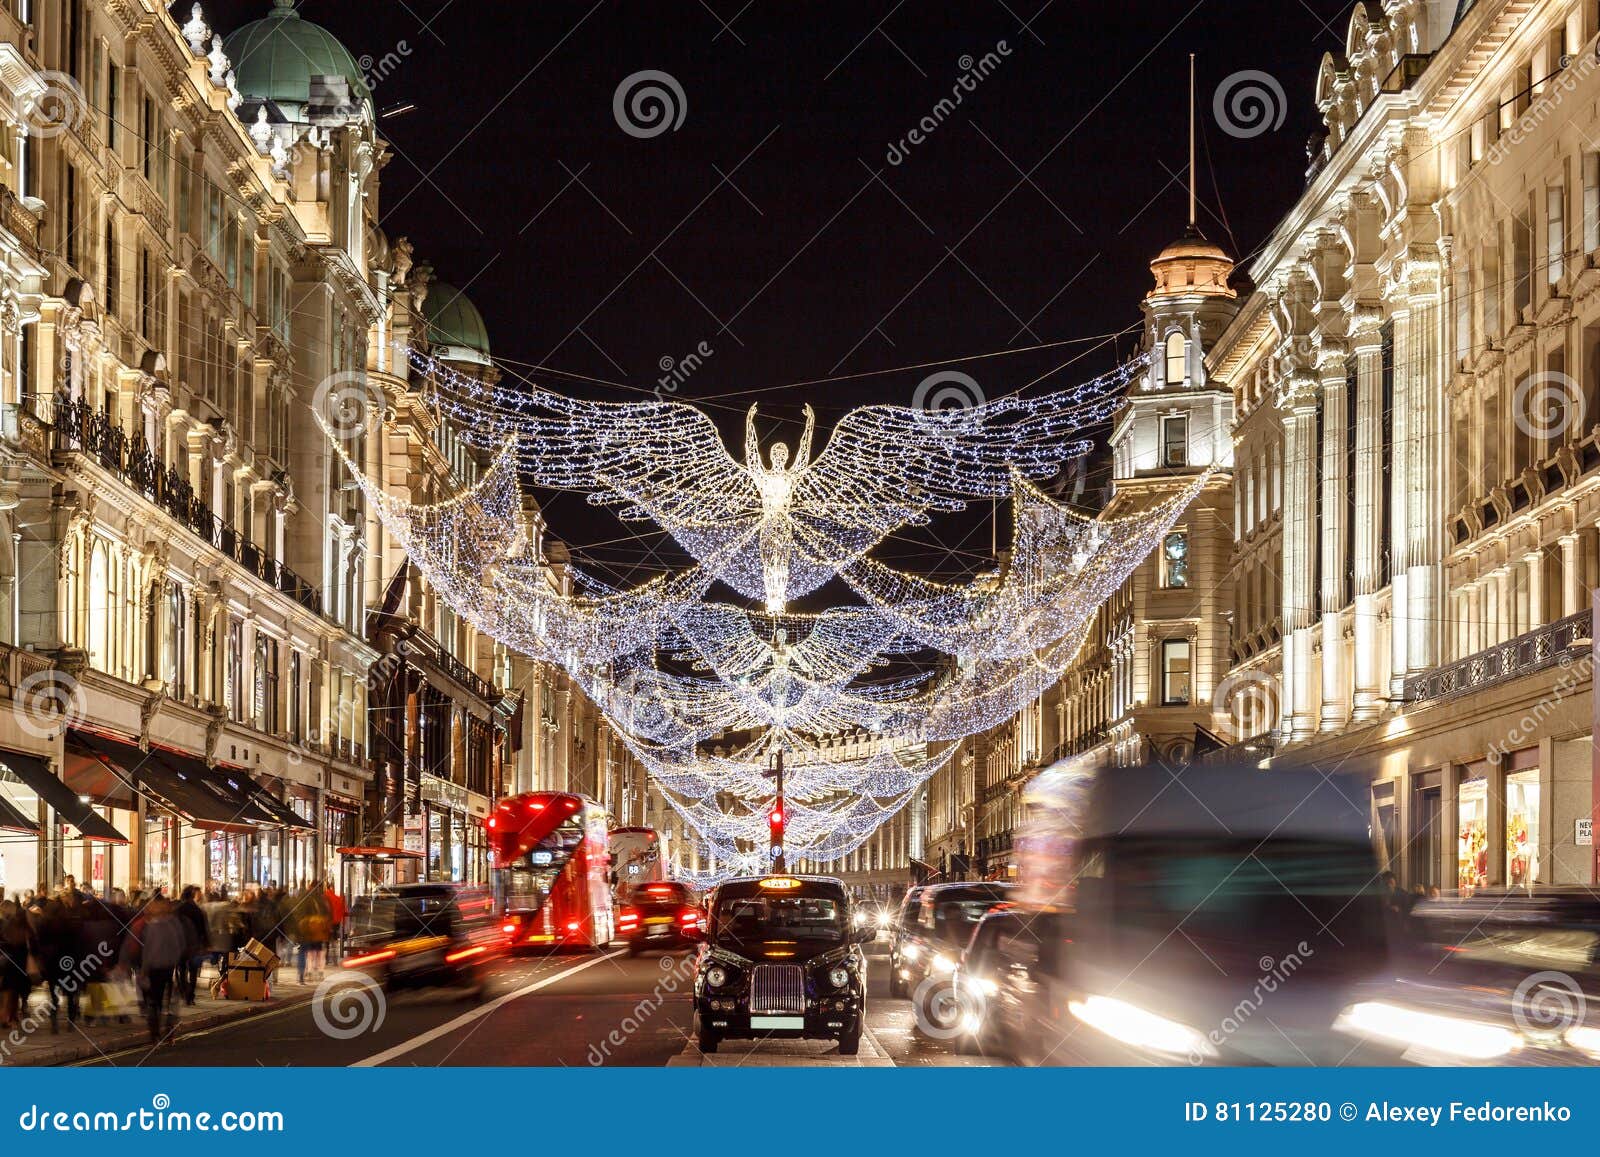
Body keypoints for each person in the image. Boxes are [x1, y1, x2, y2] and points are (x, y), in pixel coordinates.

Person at [137, 898, 188, 1043]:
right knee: (170, 1001)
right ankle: (168, 1031)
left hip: (155, 968)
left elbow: (147, 950)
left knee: (155, 1000)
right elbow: (180, 946)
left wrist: (144, 969)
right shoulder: (174, 924)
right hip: (169, 966)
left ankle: (155, 1033)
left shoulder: (152, 927)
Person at [0, 898, 35, 1029]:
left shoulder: (6, 925)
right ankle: (10, 1016)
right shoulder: (23, 929)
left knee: (8, 992)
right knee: (13, 993)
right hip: (18, 964)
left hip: (8, 963)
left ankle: (7, 1016)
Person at [173, 886, 210, 1005]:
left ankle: (184, 992)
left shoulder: (178, 909)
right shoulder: (197, 910)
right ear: (193, 895)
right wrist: (205, 944)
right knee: (193, 970)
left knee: (182, 969)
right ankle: (190, 995)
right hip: (194, 945)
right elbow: (203, 929)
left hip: (180, 944)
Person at [322, 879, 346, 963]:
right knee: (334, 941)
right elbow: (343, 910)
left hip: (327, 922)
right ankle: (335, 959)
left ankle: (326, 958)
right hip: (336, 923)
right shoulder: (338, 898)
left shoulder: (324, 897)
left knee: (326, 942)